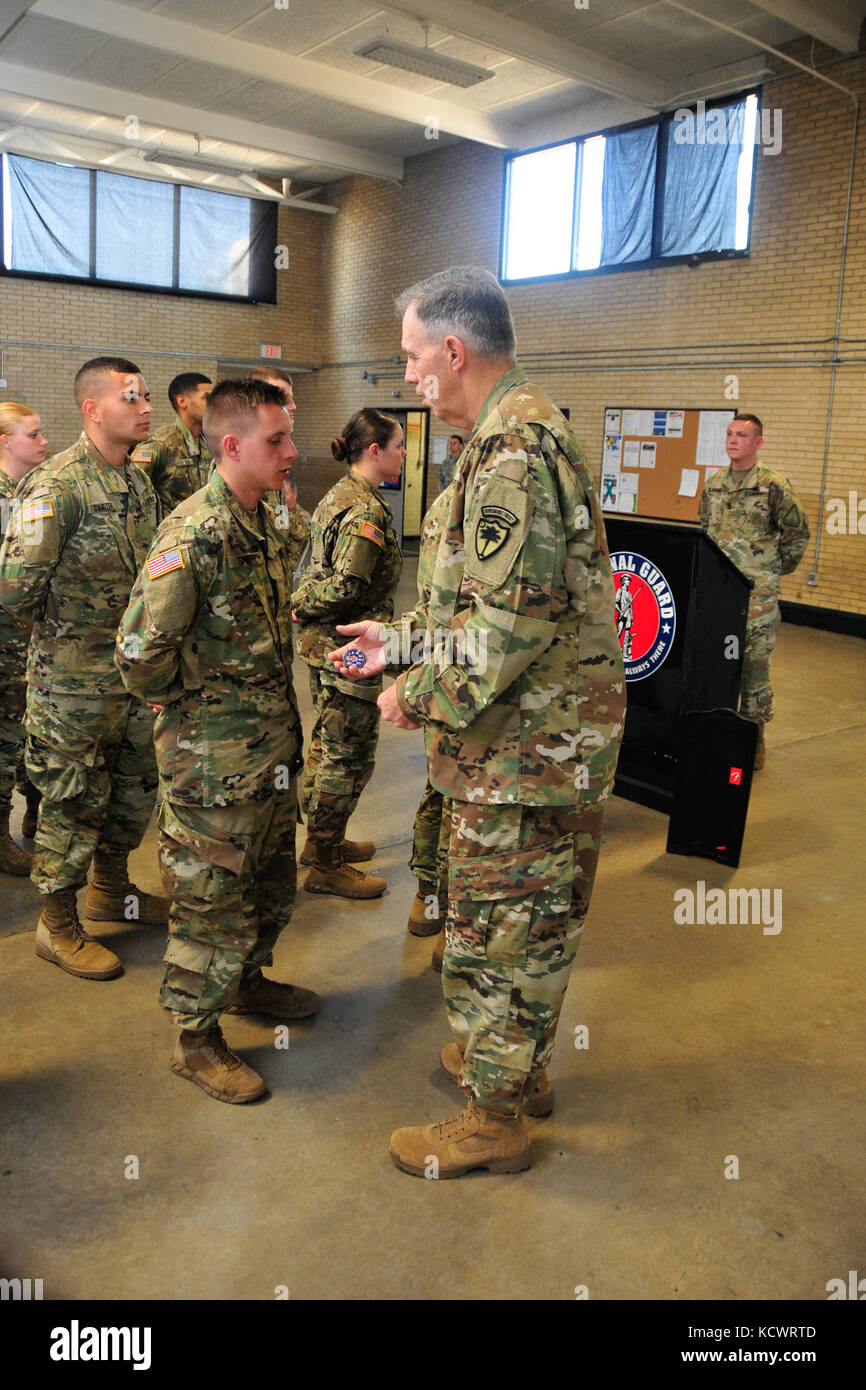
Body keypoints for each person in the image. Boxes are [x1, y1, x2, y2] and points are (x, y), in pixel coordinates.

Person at [329, 266, 625, 1178]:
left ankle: (495, 1123)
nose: (411, 378)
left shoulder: (511, 455)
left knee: (497, 933)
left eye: (415, 359)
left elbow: (499, 636)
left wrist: (410, 694)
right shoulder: (517, 437)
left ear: (454, 352)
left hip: (523, 755)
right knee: (530, 926)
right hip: (542, 746)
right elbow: (486, 608)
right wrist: (404, 639)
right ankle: (517, 1072)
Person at [116, 378, 319, 1105]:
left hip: (268, 756)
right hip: (213, 767)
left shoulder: (261, 518)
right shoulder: (194, 533)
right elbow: (139, 654)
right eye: (277, 440)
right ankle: (195, 1040)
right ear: (230, 445)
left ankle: (247, 983)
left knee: (266, 881)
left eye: (289, 436)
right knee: (209, 899)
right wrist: (196, 712)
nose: (292, 452)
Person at [0, 358, 166, 981]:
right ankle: (58, 924)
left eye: (148, 396)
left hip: (131, 682)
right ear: (93, 409)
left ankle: (113, 892)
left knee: (130, 795)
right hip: (72, 690)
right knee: (71, 804)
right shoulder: (57, 487)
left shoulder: (137, 483)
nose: (146, 407)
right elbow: (13, 594)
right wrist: (53, 664)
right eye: (132, 397)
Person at [291, 408, 404, 899]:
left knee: (325, 744)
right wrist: (301, 605)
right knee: (347, 753)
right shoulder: (365, 511)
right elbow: (343, 586)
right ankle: (327, 864)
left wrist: (301, 604)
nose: (403, 454)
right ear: (374, 450)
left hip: (328, 646)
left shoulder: (339, 494)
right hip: (349, 648)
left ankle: (320, 846)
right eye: (398, 445)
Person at [698, 413, 810, 769]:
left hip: (757, 598)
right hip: (720, 596)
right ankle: (718, 734)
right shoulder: (714, 483)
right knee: (716, 667)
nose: (733, 440)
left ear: (758, 442)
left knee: (753, 670)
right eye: (730, 434)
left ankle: (754, 740)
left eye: (742, 435)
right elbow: (705, 530)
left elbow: (797, 533)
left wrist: (773, 571)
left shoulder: (773, 485)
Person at [0, 402, 47, 873]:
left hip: (24, 646)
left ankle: (33, 814)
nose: (43, 442)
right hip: (4, 646)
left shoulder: (26, 492)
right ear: (4, 442)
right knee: (6, 741)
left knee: (24, 738)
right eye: (32, 435)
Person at [248, 367, 311, 573]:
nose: (293, 406)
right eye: (283, 399)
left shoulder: (275, 466)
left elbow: (280, 528)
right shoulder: (244, 467)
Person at [132, 372, 213, 513]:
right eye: (207, 398)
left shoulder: (209, 442)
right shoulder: (160, 444)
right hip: (170, 531)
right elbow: (134, 494)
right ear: (182, 401)